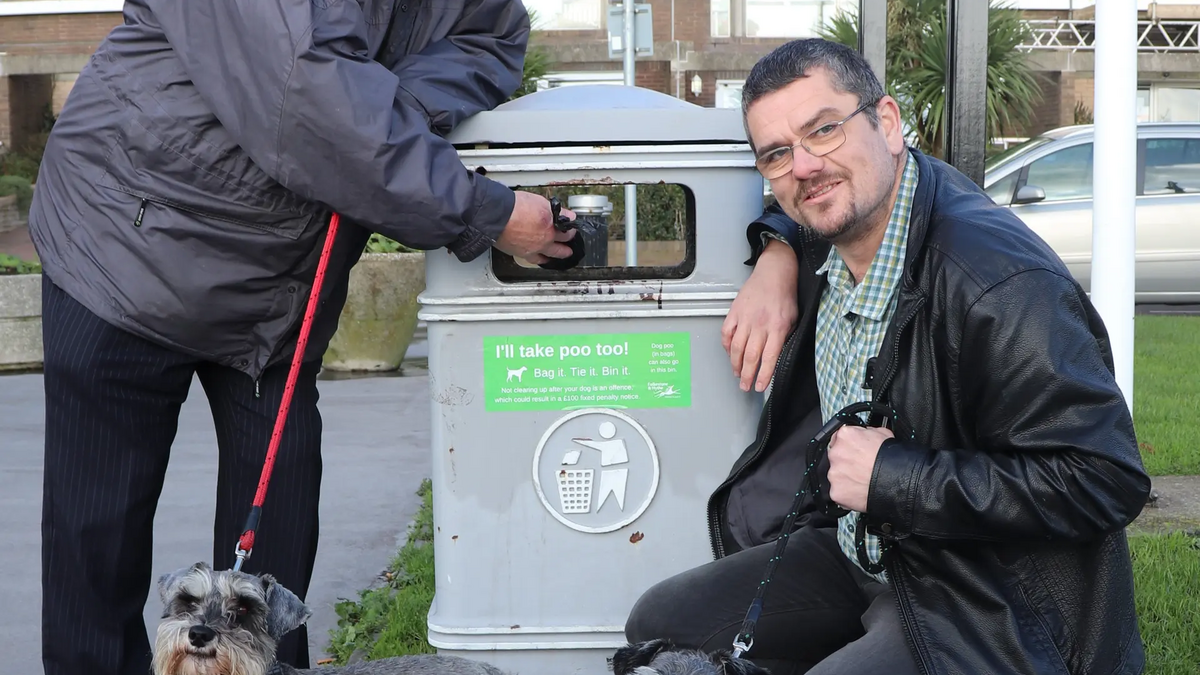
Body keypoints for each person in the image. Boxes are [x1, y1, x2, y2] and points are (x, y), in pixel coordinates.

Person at [29, 1, 575, 674]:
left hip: (278, 290)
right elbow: (310, 100)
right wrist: (476, 205)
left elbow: (481, 44)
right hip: (122, 246)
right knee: (95, 556)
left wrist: (367, 115)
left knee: (272, 578)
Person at [625, 38, 1151, 675]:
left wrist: (895, 478)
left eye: (823, 130)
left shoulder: (997, 283)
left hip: (987, 593)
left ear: (889, 122)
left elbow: (1104, 478)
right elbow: (812, 192)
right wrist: (776, 253)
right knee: (664, 623)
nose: (805, 166)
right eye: (777, 154)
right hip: (863, 549)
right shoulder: (837, 233)